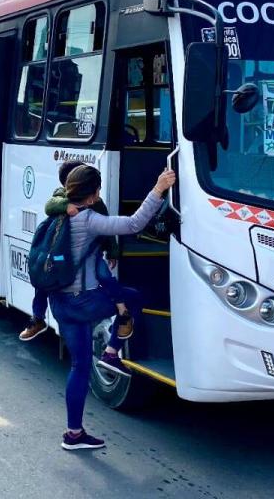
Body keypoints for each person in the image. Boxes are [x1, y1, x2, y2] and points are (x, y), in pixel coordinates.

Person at [51, 164, 175, 451]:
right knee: (133, 299)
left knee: (79, 367)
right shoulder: (89, 220)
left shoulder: (57, 215)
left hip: (59, 301)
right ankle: (110, 352)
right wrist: (158, 189)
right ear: (93, 195)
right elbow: (133, 224)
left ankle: (73, 433)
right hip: (82, 302)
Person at [19, 160, 122, 342]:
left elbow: (107, 227)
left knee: (104, 275)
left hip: (91, 253)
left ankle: (119, 304)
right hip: (64, 254)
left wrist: (112, 251)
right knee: (43, 282)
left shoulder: (96, 202)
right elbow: (50, 205)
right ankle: (38, 318)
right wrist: (66, 207)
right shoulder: (60, 197)